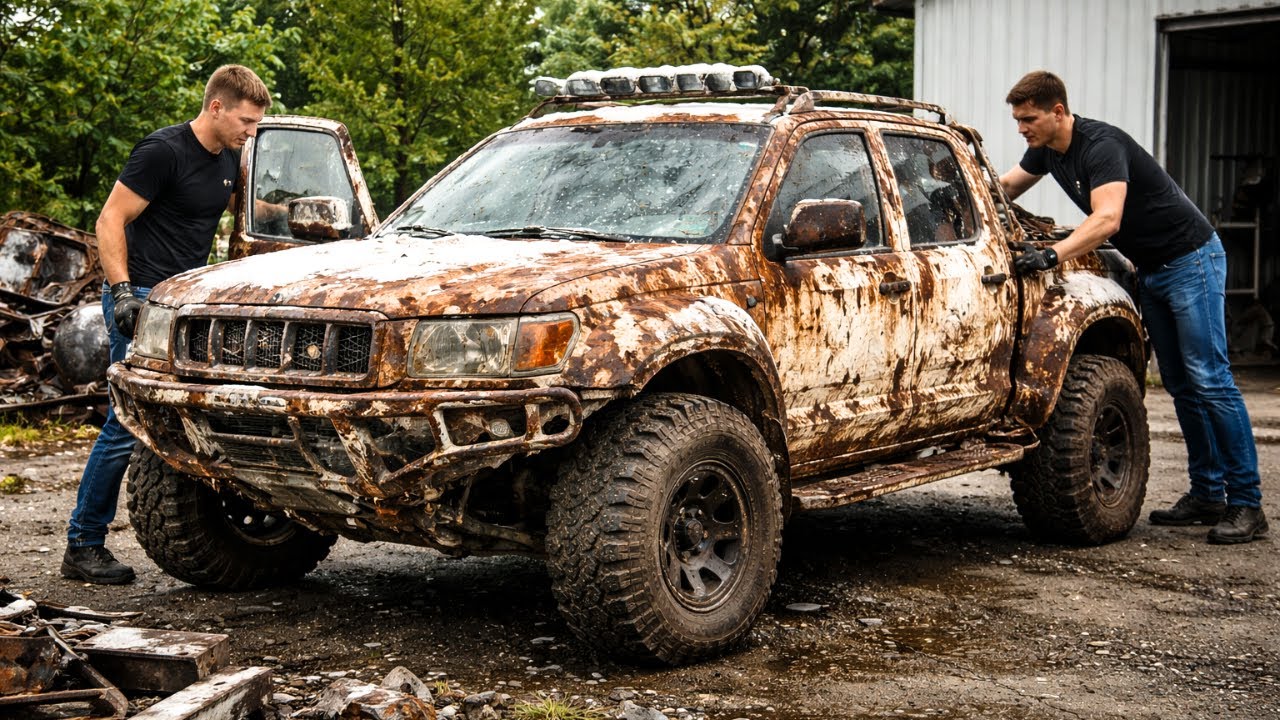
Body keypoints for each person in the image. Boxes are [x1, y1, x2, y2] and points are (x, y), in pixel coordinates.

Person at [998, 70, 1267, 545]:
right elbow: (1008, 187)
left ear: (1057, 111)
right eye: (1019, 120)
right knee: (1182, 385)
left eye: (1029, 118)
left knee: (1209, 378)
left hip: (1191, 260)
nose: (1022, 128)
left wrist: (1052, 254)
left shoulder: (1101, 145)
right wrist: (949, 198)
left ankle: (1247, 502)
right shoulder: (1046, 150)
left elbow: (1107, 218)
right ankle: (1207, 494)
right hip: (1152, 269)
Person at [62, 65, 272, 584]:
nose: (251, 132)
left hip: (187, 310)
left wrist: (293, 210)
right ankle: (83, 544)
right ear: (217, 107)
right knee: (125, 424)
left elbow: (240, 207)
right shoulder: (164, 151)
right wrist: (121, 294)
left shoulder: (229, 160)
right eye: (246, 121)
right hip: (140, 302)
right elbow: (110, 219)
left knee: (194, 416)